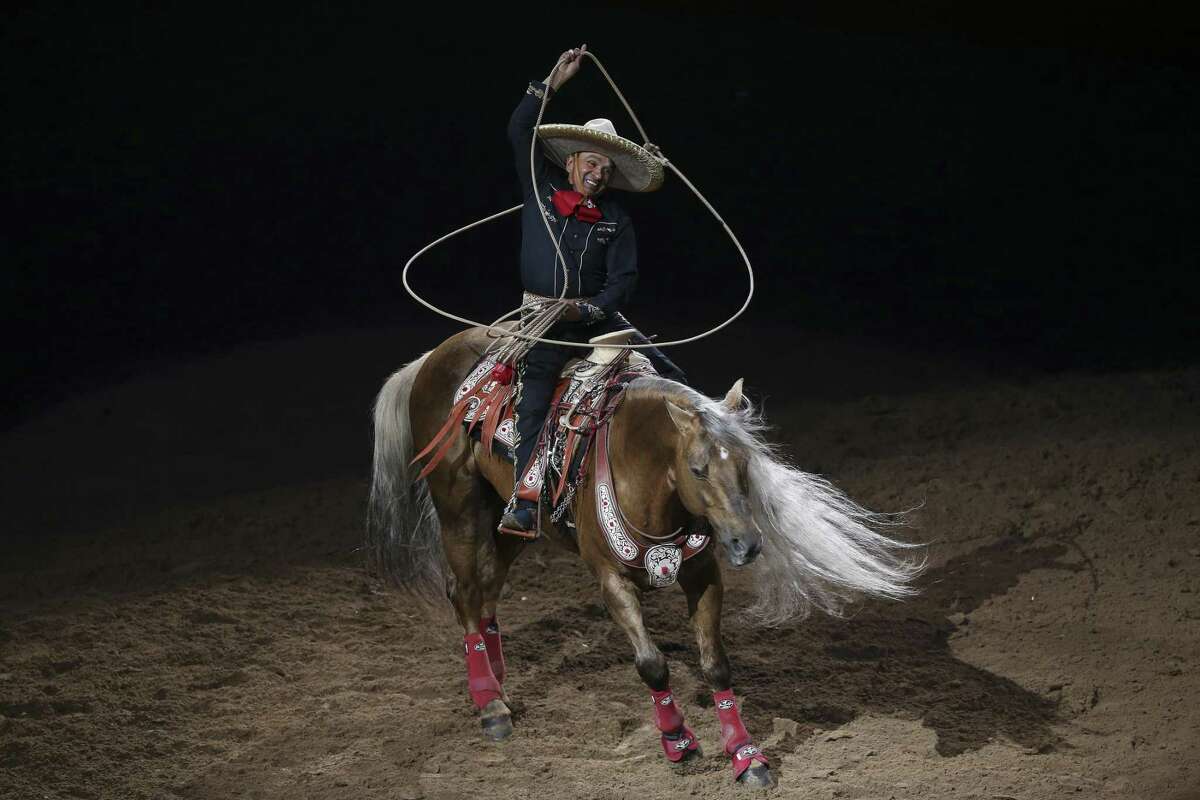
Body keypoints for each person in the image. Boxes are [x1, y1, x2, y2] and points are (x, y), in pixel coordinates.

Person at [500, 44, 686, 535]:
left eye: (607, 170)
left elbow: (623, 283)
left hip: (596, 320)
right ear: (572, 162)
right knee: (535, 397)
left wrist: (590, 311)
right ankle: (525, 499)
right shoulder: (539, 193)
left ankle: (699, 475)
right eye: (592, 164)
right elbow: (519, 130)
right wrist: (552, 82)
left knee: (671, 375)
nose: (599, 174)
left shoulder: (616, 220)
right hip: (540, 321)